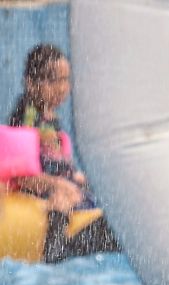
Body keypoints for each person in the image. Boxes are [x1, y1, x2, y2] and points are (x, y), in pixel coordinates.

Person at [5, 43, 120, 262]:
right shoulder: (26, 116)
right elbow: (21, 175)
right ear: (31, 83)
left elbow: (58, 163)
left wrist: (80, 179)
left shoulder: (52, 120)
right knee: (63, 198)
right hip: (43, 193)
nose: (61, 88)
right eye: (52, 80)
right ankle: (53, 255)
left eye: (65, 79)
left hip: (63, 188)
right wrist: (57, 185)